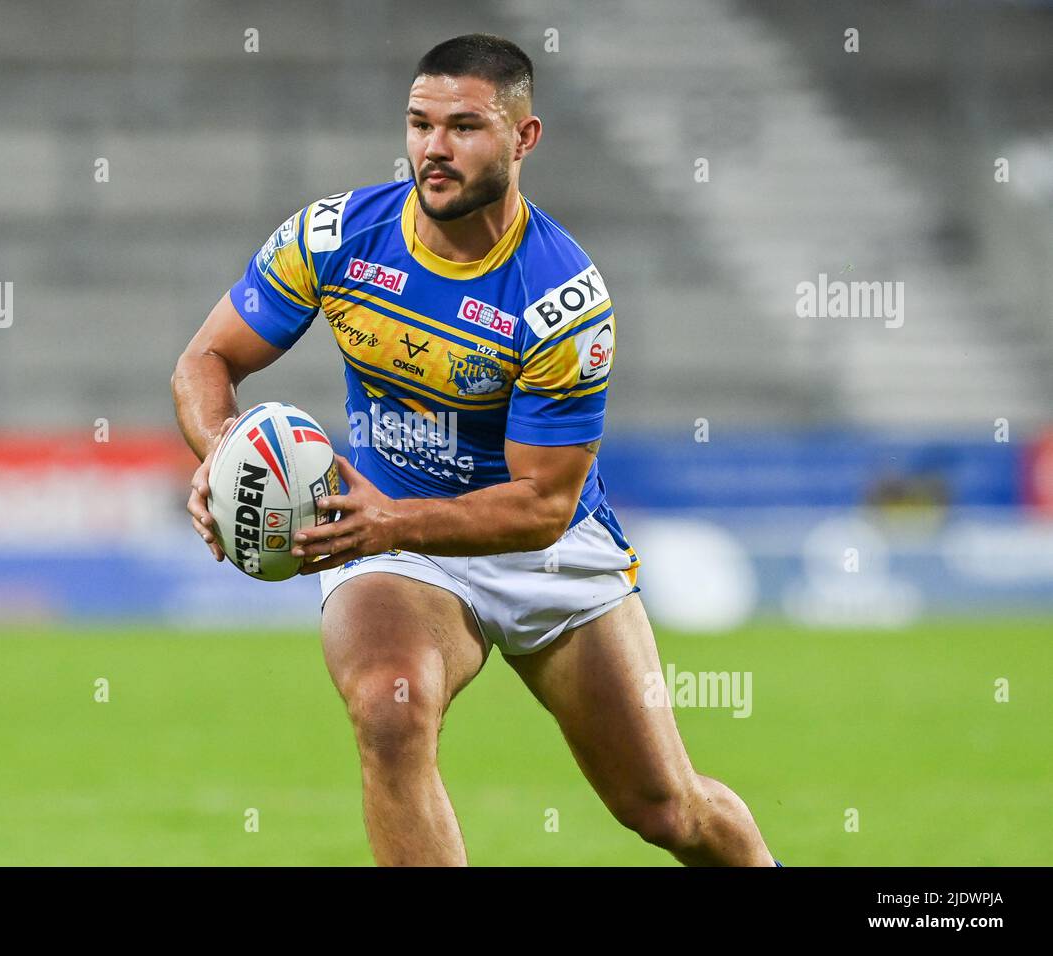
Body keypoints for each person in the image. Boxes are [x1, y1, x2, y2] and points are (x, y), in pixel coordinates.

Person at [172, 33, 779, 867]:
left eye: (465, 127)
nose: (434, 148)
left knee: (668, 810)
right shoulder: (334, 236)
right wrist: (223, 452)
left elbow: (541, 507)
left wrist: (390, 521)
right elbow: (207, 359)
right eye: (420, 124)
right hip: (392, 546)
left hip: (547, 554)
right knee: (390, 711)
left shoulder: (562, 300)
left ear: (524, 139)